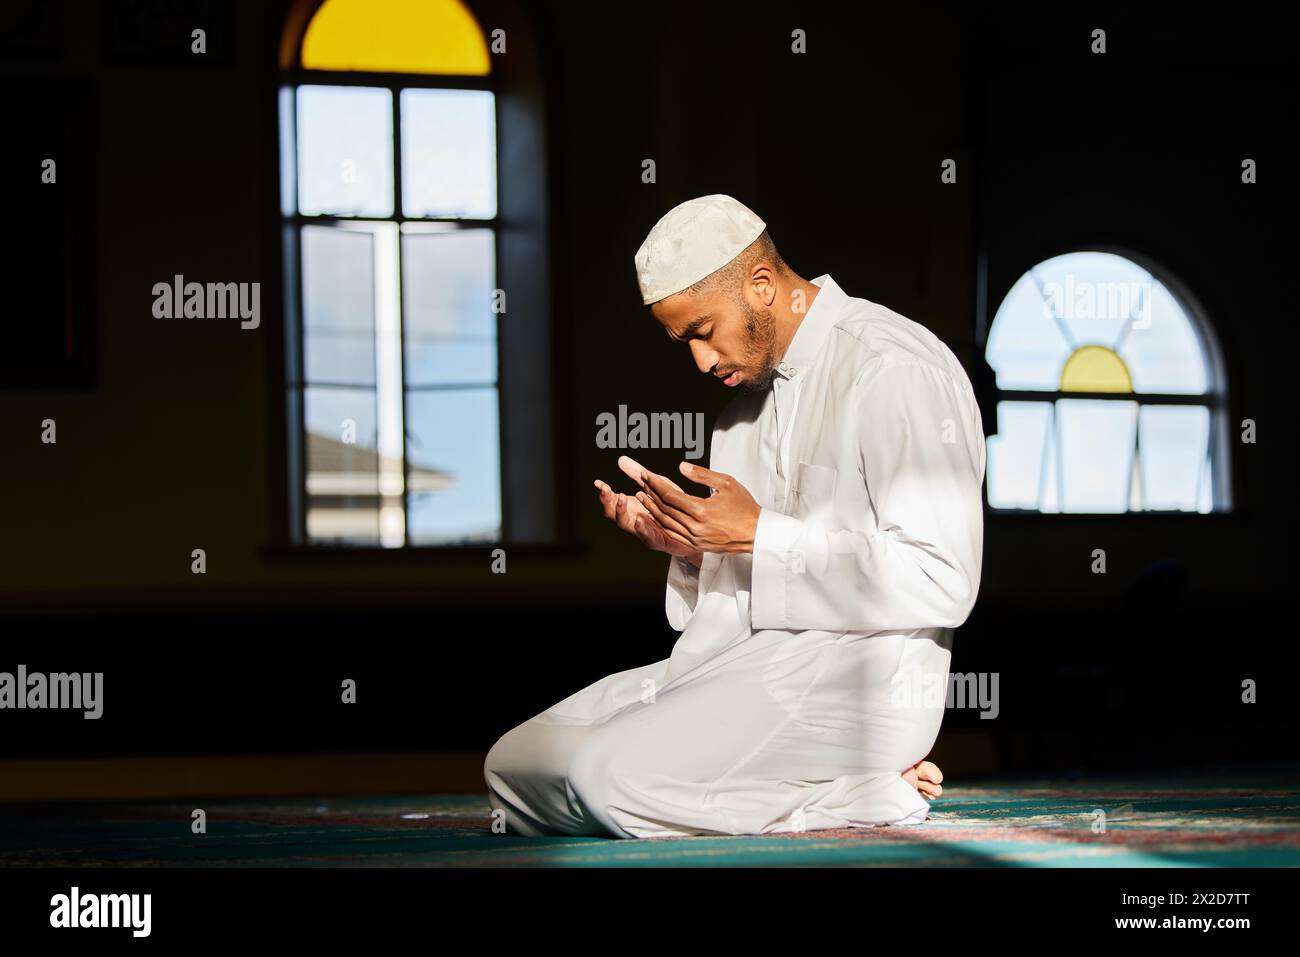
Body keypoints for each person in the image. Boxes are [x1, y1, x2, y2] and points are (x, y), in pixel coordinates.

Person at [483, 194, 986, 838]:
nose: (698, 360)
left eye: (701, 331)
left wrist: (757, 534)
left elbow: (942, 577)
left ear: (760, 285)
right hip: (740, 668)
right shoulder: (741, 413)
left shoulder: (894, 367)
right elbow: (745, 597)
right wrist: (693, 548)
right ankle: (793, 786)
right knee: (515, 769)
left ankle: (854, 795)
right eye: (681, 341)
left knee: (603, 780)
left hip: (860, 681)